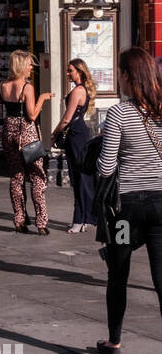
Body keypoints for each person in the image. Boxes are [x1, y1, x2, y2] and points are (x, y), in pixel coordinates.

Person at [95, 47, 162, 354]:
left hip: (127, 209)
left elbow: (106, 167)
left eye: (120, 73)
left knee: (118, 273)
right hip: (161, 205)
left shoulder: (119, 113)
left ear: (126, 75)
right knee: (161, 280)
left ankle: (114, 342)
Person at [0, 50, 51, 234]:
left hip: (8, 131)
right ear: (21, 65)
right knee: (37, 176)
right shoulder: (27, 87)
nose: (31, 68)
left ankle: (19, 219)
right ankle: (41, 222)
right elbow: (32, 115)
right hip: (26, 133)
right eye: (29, 64)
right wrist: (42, 99)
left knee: (16, 176)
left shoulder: (3, 85)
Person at [51, 59, 97, 233]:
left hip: (76, 136)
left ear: (79, 71)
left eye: (70, 71)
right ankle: (85, 219)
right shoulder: (81, 89)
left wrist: (53, 134)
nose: (68, 74)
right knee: (80, 178)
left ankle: (80, 220)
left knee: (79, 179)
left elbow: (66, 118)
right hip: (77, 135)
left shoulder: (78, 90)